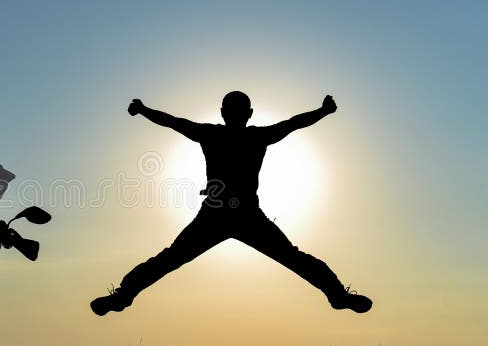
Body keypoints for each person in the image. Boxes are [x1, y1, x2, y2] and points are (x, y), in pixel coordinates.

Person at [90, 92, 372, 316]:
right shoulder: (245, 136)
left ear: (230, 113)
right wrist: (323, 111)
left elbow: (172, 121)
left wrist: (143, 109)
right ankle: (338, 296)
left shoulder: (223, 135)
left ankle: (338, 296)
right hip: (225, 216)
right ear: (239, 114)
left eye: (237, 111)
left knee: (169, 259)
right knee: (292, 258)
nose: (235, 115)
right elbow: (293, 123)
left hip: (237, 216)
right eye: (234, 111)